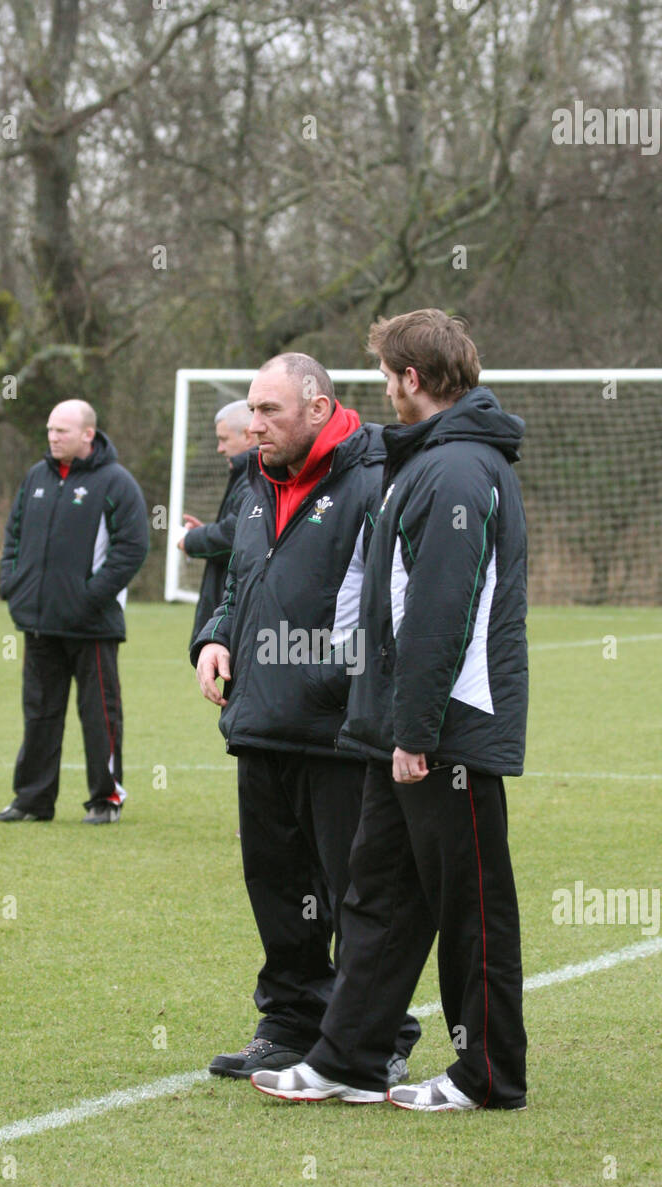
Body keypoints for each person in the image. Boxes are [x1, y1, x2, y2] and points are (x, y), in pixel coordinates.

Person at [251, 310, 529, 1110]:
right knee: (377, 900)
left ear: (411, 379)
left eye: (384, 375)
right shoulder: (425, 463)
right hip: (396, 733)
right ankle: (351, 1058)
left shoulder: (458, 471)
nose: (381, 390)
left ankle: (488, 1075)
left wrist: (415, 731)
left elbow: (441, 613)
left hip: (444, 735)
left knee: (471, 910)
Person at [192, 353, 420, 1082]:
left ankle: (375, 1033)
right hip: (259, 718)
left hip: (338, 728)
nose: (254, 426)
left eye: (269, 412)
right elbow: (238, 577)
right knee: (276, 885)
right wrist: (216, 635)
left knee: (353, 888)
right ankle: (291, 1018)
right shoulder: (254, 481)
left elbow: (392, 604)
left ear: (317, 409)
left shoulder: (374, 478)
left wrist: (340, 683)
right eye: (251, 412)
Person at [0, 399, 149, 824]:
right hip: (39, 621)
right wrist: (13, 583)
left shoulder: (116, 483)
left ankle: (105, 798)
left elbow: (133, 547)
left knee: (99, 714)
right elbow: (14, 535)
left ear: (87, 434)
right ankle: (32, 800)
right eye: (49, 429)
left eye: (61, 430)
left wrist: (89, 596)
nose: (52, 437)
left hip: (92, 624)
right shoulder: (36, 477)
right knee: (40, 712)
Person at [177, 400, 253, 643]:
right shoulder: (245, 472)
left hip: (239, 615)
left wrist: (191, 539)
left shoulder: (256, 474)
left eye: (224, 439)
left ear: (248, 435)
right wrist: (206, 532)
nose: (220, 448)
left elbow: (235, 535)